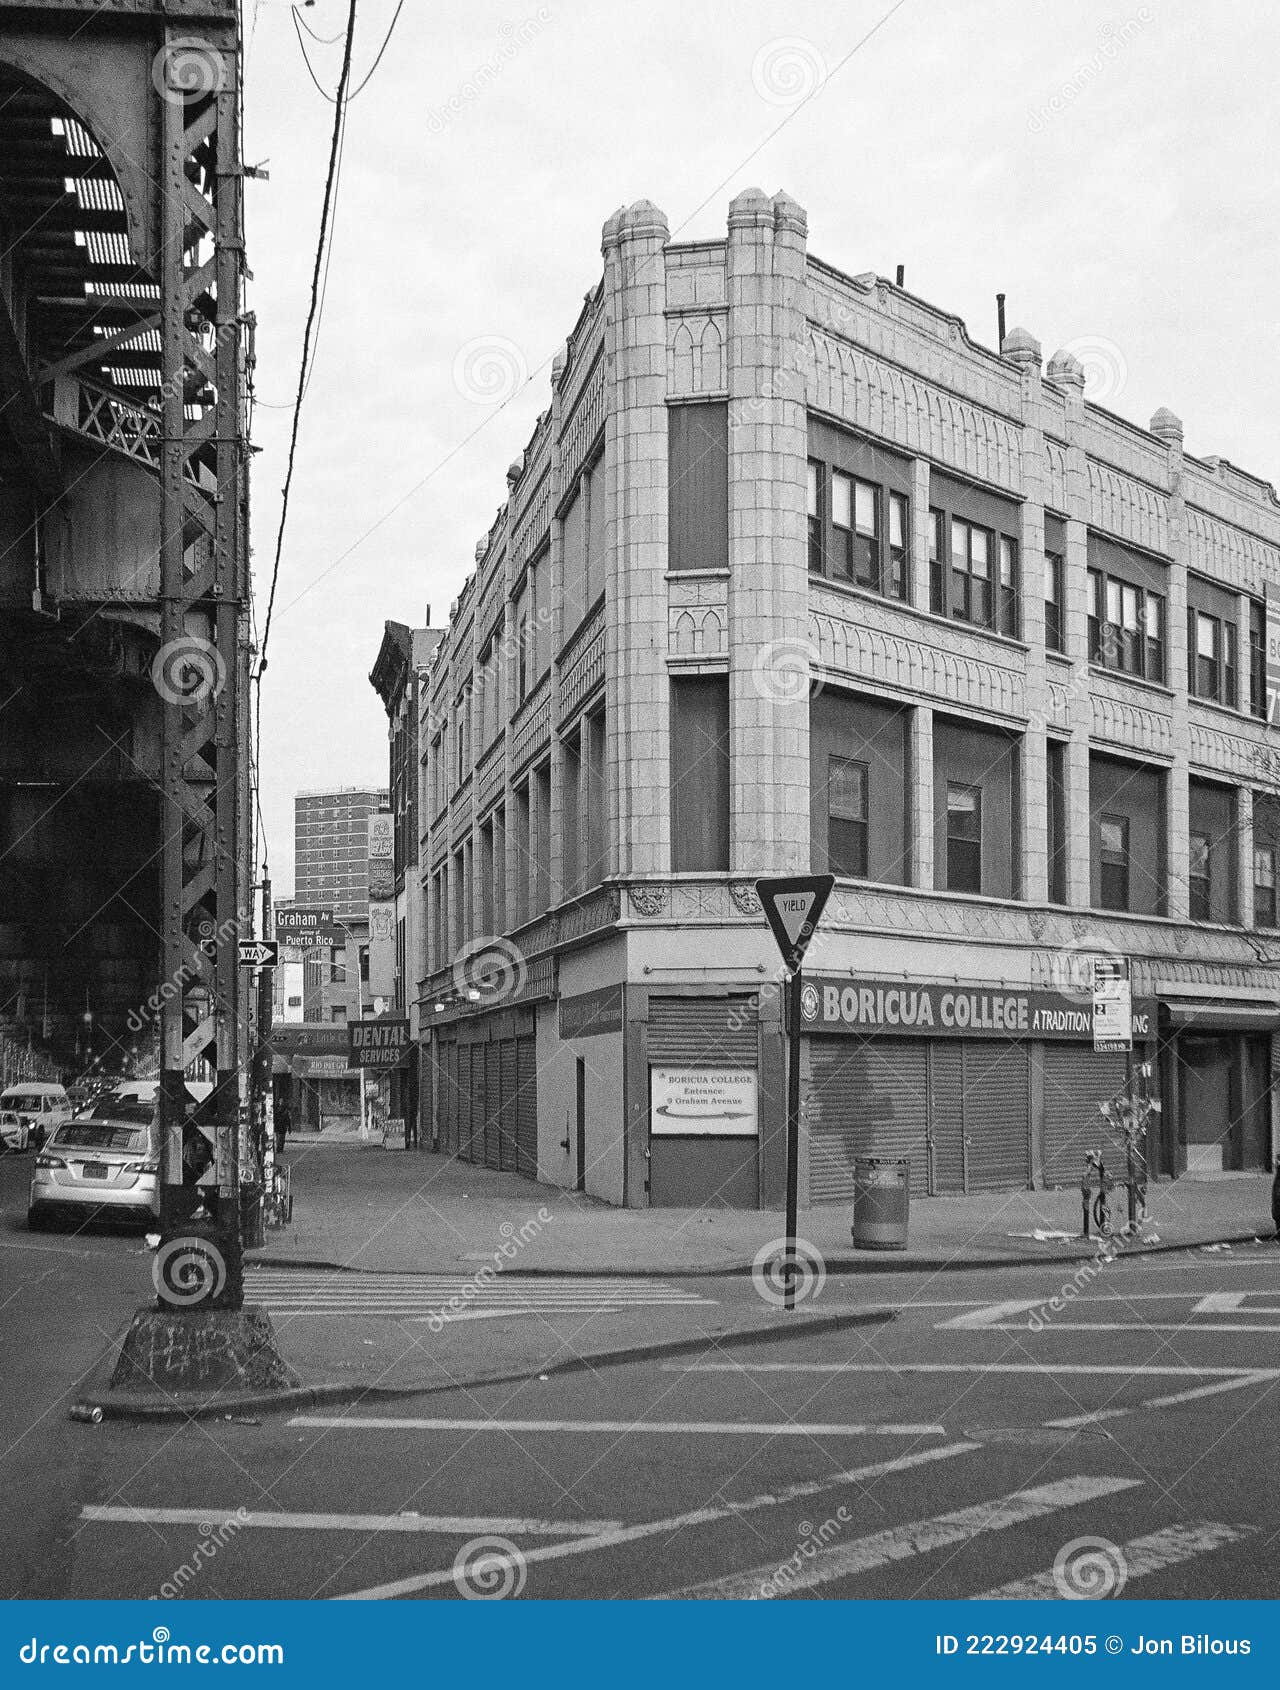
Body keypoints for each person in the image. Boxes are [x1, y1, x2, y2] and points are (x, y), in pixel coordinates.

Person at [273, 1093, 291, 1159]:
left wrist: (289, 1127)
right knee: (278, 1138)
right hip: (278, 1126)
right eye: (280, 1101)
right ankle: (278, 1148)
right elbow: (274, 1118)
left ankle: (280, 1148)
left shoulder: (285, 1110)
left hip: (283, 1126)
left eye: (282, 1101)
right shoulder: (276, 1109)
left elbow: (288, 1119)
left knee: (282, 1138)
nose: (281, 1102)